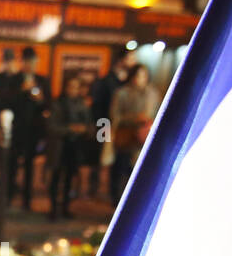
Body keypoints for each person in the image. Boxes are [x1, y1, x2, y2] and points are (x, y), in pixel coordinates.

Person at [89, 48, 137, 198]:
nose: (133, 61)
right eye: (131, 58)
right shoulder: (106, 81)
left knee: (120, 161)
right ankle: (95, 189)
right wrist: (102, 128)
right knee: (101, 158)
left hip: (123, 129)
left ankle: (114, 192)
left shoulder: (128, 82)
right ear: (121, 60)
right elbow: (98, 107)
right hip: (106, 125)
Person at [9, 46, 51, 212]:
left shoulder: (42, 80)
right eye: (27, 62)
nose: (31, 65)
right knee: (12, 163)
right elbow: (5, 102)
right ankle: (10, 195)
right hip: (16, 128)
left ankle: (27, 198)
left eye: (33, 62)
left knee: (29, 165)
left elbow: (48, 104)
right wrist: (21, 91)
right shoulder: (15, 80)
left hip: (33, 130)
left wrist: (40, 99)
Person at [110, 63, 158, 206]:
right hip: (126, 137)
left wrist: (149, 121)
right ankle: (118, 200)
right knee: (121, 170)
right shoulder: (122, 93)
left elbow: (158, 112)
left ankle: (136, 201)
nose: (140, 79)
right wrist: (134, 118)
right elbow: (114, 115)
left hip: (145, 137)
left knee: (140, 172)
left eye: (143, 75)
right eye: (137, 75)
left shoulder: (152, 93)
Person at [48, 75, 92, 220]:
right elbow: (52, 126)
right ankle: (54, 208)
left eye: (76, 87)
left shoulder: (82, 104)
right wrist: (70, 129)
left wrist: (83, 129)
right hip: (60, 146)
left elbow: (89, 125)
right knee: (56, 178)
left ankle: (66, 207)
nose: (73, 90)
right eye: (70, 86)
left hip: (75, 146)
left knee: (69, 178)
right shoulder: (58, 104)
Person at [0, 47, 19, 120]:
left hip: (15, 113)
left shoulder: (18, 77)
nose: (8, 64)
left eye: (10, 61)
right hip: (0, 111)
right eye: (6, 61)